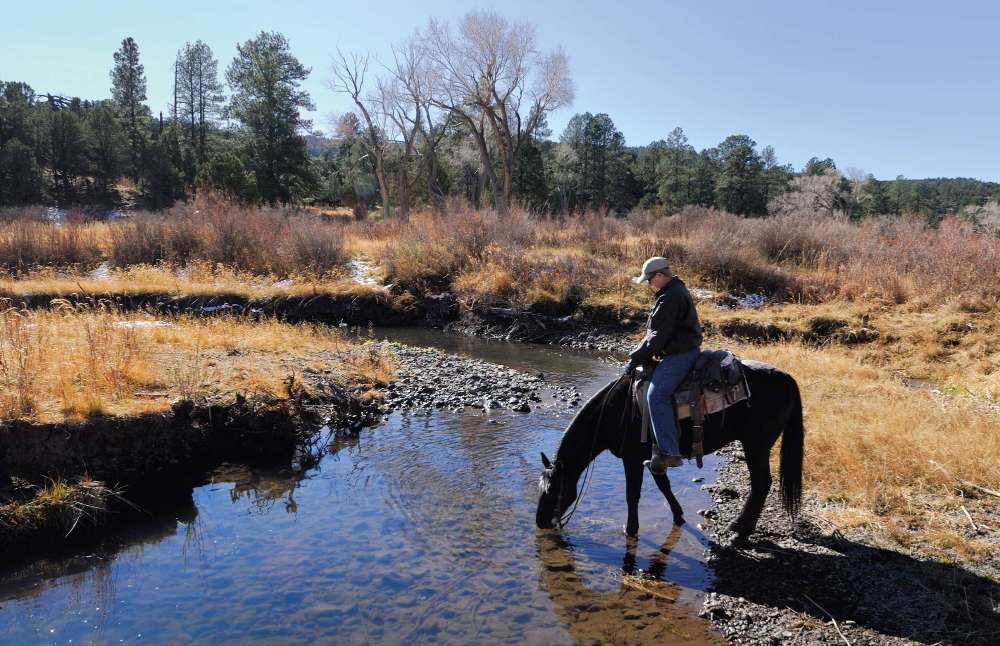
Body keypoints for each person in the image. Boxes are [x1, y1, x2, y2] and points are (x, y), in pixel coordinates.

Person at [625, 257, 703, 474]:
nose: (649, 285)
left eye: (649, 280)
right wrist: (638, 353)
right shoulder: (673, 291)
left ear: (659, 275)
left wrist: (635, 359)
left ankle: (670, 453)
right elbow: (654, 335)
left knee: (656, 395)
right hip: (681, 350)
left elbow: (657, 338)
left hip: (681, 354)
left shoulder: (670, 297)